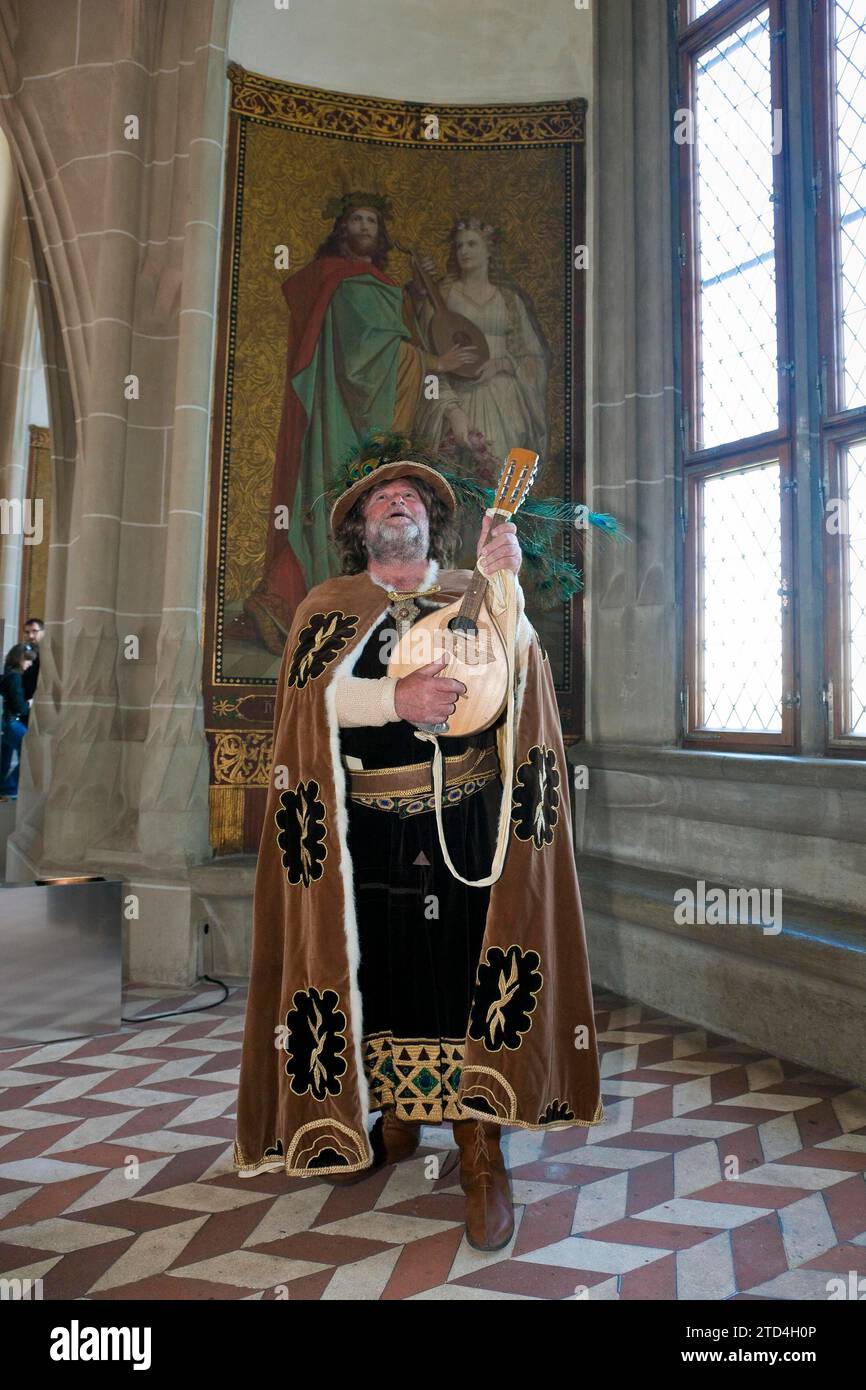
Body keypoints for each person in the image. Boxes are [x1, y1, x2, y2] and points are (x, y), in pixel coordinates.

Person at [234, 431, 604, 1253]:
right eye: (379, 498)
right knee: (379, 973)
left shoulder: (475, 587)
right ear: (360, 527)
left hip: (466, 823)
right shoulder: (327, 607)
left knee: (466, 979)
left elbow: (521, 674)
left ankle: (480, 1150)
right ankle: (397, 1117)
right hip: (361, 831)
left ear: (433, 520)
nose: (395, 503)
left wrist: (506, 585)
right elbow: (303, 714)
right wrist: (391, 700)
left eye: (411, 497)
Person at [227, 192, 478, 656]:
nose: (365, 226)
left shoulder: (380, 285)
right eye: (357, 219)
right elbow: (364, 359)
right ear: (343, 229)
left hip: (366, 416)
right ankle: (316, 605)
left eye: (372, 221)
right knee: (338, 492)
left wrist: (416, 305)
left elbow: (388, 343)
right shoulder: (340, 281)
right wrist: (431, 361)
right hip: (341, 416)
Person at [0, 642, 36, 800]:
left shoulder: (7, 675)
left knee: (4, 760)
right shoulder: (15, 678)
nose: (30, 664)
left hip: (5, 722)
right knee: (31, 750)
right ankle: (9, 788)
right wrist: (29, 704)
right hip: (12, 721)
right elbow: (19, 706)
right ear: (19, 659)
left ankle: (3, 789)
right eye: (28, 660)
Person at [20, 617, 44, 702]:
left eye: (34, 631)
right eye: (27, 632)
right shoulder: (22, 652)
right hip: (24, 703)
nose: (30, 636)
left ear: (43, 632)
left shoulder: (48, 653)